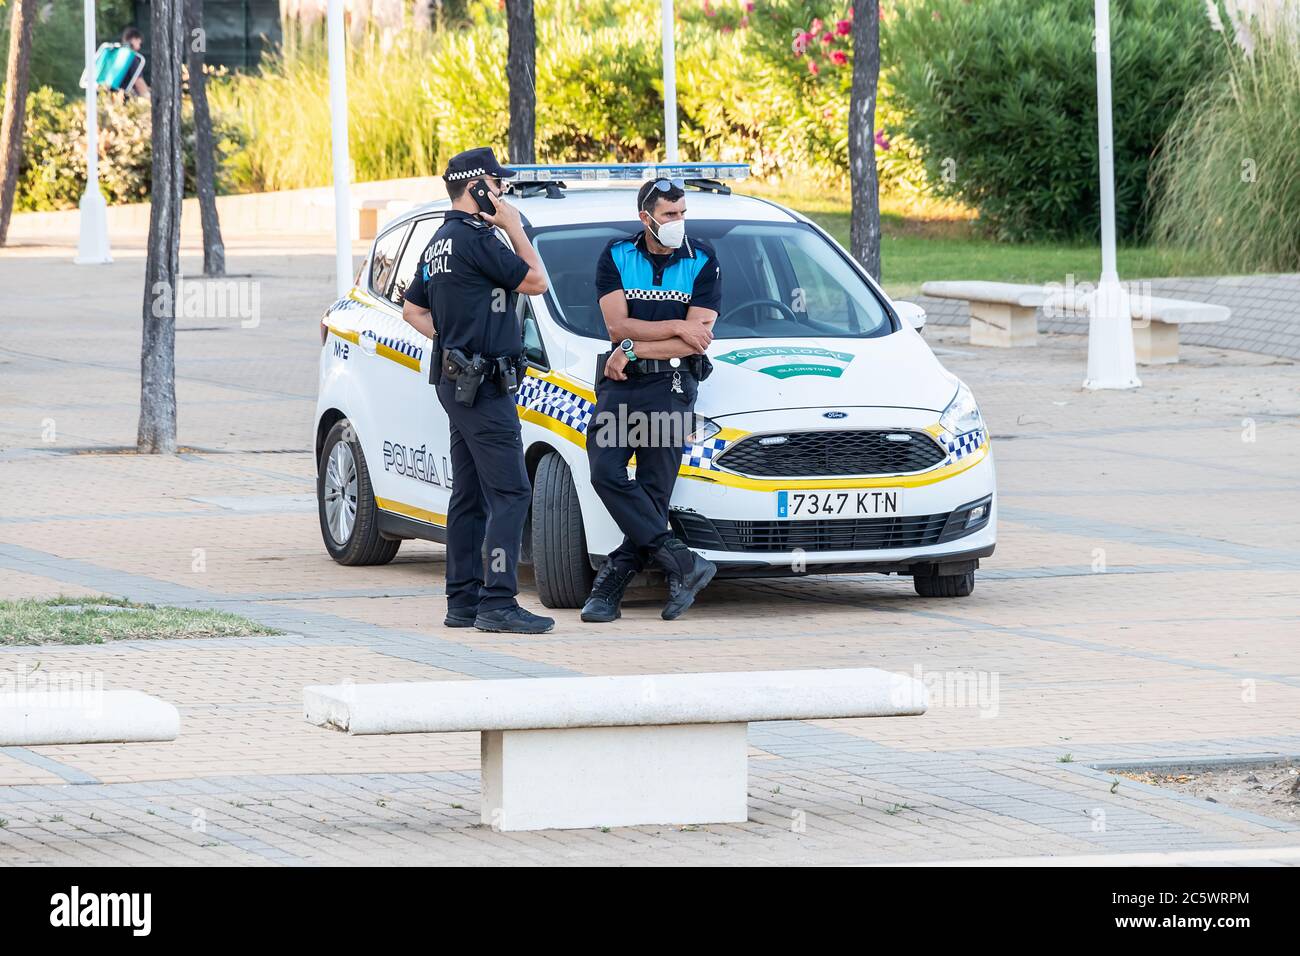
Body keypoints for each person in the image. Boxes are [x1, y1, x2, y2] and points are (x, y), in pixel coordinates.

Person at [401, 147, 554, 635]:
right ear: (479, 187)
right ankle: (498, 601)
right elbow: (536, 281)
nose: (504, 190)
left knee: (468, 494)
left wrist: (452, 346)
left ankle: (463, 601)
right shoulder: (478, 237)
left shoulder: (439, 240)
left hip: (457, 381)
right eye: (498, 183)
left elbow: (412, 311)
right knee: (510, 492)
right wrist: (514, 226)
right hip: (484, 386)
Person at [580, 178, 721, 624]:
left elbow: (696, 340)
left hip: (671, 388)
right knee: (605, 470)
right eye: (669, 215)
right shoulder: (616, 255)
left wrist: (638, 347)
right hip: (621, 386)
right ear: (646, 219)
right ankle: (682, 561)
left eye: (682, 214)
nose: (678, 223)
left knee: (654, 494)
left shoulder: (703, 259)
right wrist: (673, 329)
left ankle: (610, 588)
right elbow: (617, 326)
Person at [119, 27, 150, 98]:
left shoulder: (117, 55)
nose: (139, 47)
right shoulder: (132, 58)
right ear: (134, 39)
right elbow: (139, 83)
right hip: (123, 101)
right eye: (139, 43)